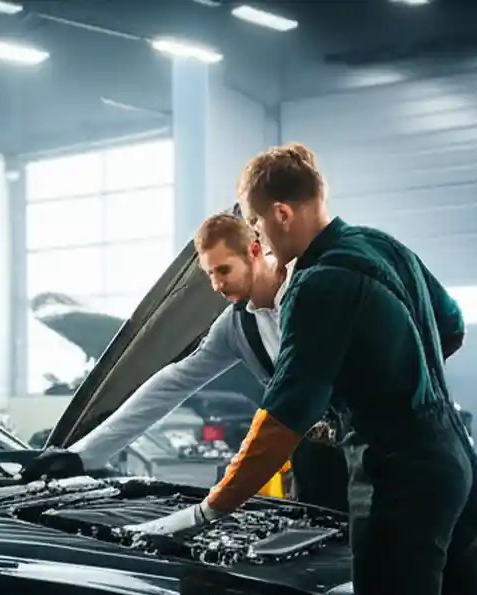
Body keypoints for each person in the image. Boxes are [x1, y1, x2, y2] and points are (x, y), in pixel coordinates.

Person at [123, 143, 477, 595]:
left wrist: (208, 510)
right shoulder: (382, 243)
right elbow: (450, 327)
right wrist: (398, 380)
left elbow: (280, 422)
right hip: (457, 463)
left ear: (280, 213)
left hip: (397, 480)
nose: (260, 240)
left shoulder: (316, 284)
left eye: (256, 224)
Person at [67, 209, 350, 513]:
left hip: (370, 451)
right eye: (210, 274)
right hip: (313, 459)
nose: (216, 285)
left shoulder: (319, 291)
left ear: (254, 251)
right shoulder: (235, 327)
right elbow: (171, 384)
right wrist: (82, 455)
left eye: (224, 270)